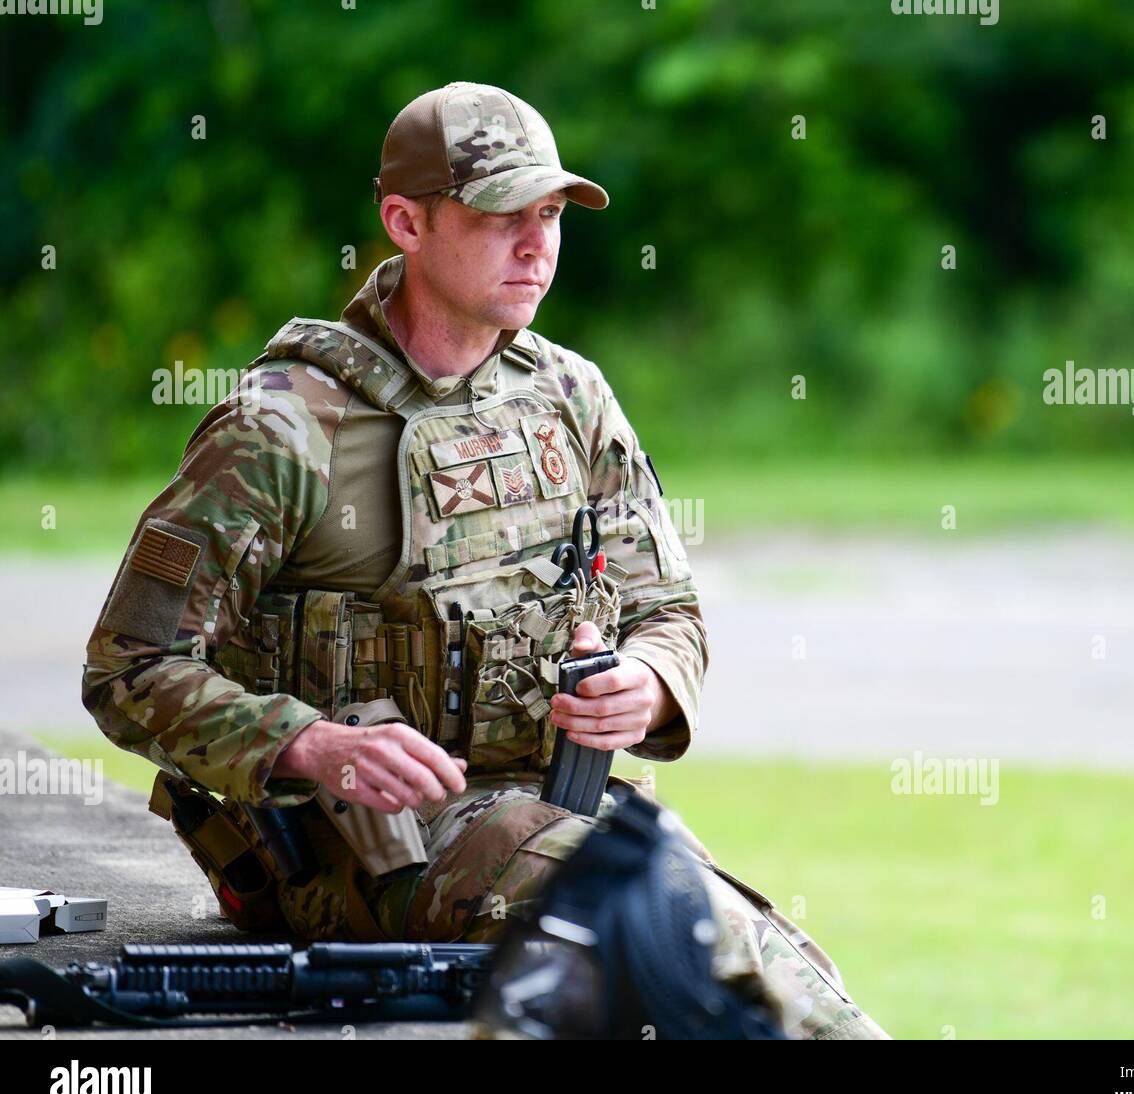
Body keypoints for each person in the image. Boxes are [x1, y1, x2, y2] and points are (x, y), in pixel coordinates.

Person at [82, 81, 888, 1040]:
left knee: (771, 957)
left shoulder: (568, 396)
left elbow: (668, 611)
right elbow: (126, 669)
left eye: (548, 214)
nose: (536, 242)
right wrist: (316, 746)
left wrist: (648, 682)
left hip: (538, 809)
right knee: (680, 940)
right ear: (405, 223)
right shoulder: (288, 426)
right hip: (355, 851)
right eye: (500, 214)